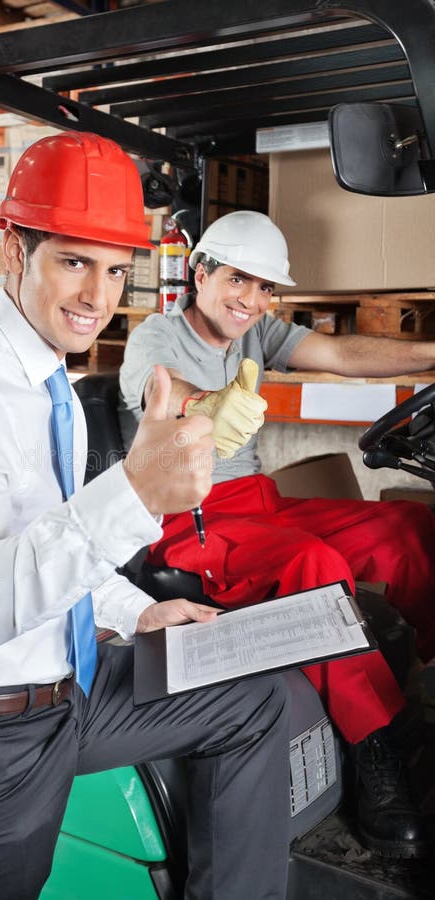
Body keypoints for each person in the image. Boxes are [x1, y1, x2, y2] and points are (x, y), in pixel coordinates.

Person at [0, 134, 292, 900]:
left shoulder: (49, 387)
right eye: (73, 261)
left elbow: (47, 548)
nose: (98, 295)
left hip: (67, 693)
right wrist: (134, 491)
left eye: (117, 270)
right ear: (14, 251)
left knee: (254, 695)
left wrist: (143, 610)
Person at [119, 210, 435, 859]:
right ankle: (374, 748)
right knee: (313, 564)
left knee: (407, 529)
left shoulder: (256, 330)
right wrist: (207, 406)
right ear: (199, 271)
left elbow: (342, 353)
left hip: (259, 505)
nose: (251, 299)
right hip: (189, 518)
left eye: (265, 287)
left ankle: (415, 703)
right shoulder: (155, 337)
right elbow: (158, 388)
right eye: (239, 279)